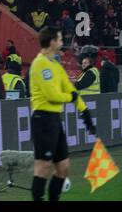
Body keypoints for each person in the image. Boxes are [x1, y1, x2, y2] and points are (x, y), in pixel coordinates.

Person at [30, 26, 96, 202]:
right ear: (52, 42)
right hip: (42, 119)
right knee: (43, 167)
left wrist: (84, 111)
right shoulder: (40, 64)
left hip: (54, 120)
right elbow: (52, 95)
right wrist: (71, 97)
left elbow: (70, 88)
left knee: (63, 167)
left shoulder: (55, 64)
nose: (61, 42)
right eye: (59, 39)